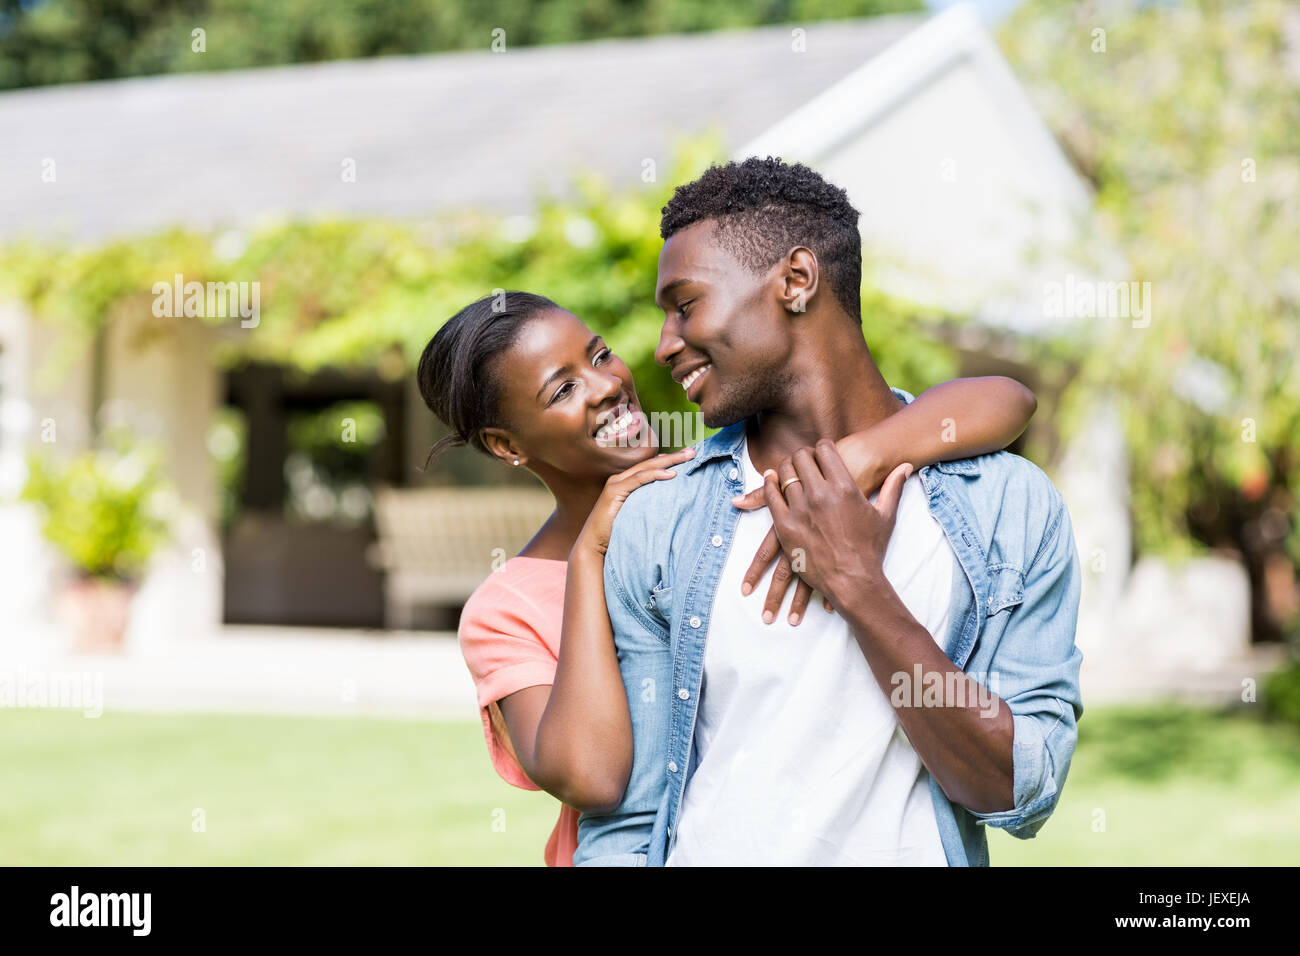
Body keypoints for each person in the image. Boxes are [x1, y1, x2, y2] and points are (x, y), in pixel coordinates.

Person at [417, 288, 1039, 866]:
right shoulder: (507, 611)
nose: (607, 385)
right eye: (562, 390)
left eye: (601, 354)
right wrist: (589, 558)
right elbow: (593, 778)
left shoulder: (717, 485)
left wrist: (861, 456)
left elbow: (1006, 400)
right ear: (506, 446)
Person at [584, 156, 1084, 867]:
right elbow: (629, 822)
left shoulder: (1009, 504)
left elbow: (1018, 790)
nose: (664, 344)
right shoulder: (660, 520)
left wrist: (857, 584)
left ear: (796, 280)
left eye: (686, 304)